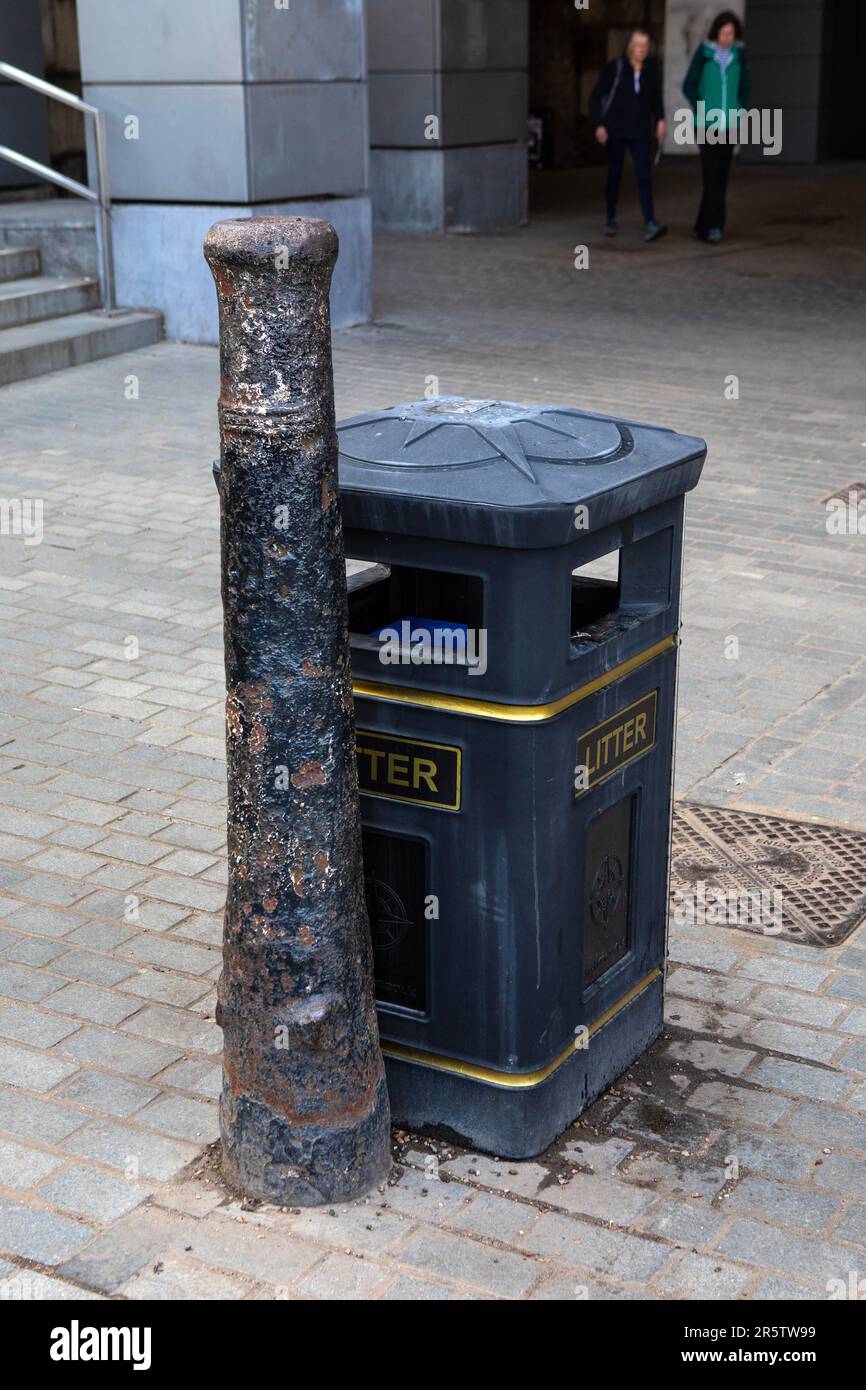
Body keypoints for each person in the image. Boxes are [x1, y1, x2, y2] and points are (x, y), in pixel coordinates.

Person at [589, 28, 667, 243]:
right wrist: (599, 125)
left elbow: (656, 98)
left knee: (644, 174)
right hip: (616, 129)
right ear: (629, 47)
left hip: (640, 130)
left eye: (646, 46)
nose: (642, 50)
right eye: (638, 45)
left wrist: (660, 120)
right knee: (614, 174)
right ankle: (610, 217)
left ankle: (650, 221)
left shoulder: (651, 70)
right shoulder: (615, 68)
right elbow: (595, 97)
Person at [683, 10, 752, 242]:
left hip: (730, 126)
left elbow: (746, 88)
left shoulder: (740, 56)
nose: (726, 37)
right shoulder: (704, 54)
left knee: (721, 177)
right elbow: (688, 85)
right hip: (706, 125)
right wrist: (700, 106)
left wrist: (741, 108)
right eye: (723, 33)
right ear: (716, 33)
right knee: (711, 176)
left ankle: (702, 224)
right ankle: (714, 227)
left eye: (731, 33)